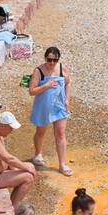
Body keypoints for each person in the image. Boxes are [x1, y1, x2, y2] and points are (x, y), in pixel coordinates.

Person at [0, 111, 36, 208]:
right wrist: (25, 168)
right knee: (28, 177)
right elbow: (9, 159)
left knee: (30, 167)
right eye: (10, 128)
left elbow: (6, 156)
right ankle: (16, 207)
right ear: (2, 126)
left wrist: (22, 168)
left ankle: (15, 200)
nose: (11, 131)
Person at [28, 46, 72, 175]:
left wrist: (67, 99)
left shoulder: (62, 68)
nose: (52, 63)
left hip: (59, 106)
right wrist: (46, 85)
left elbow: (68, 83)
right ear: (45, 58)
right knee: (41, 132)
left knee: (60, 133)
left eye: (54, 60)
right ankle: (38, 153)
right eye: (49, 60)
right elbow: (32, 91)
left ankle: (62, 164)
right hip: (43, 107)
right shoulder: (38, 71)